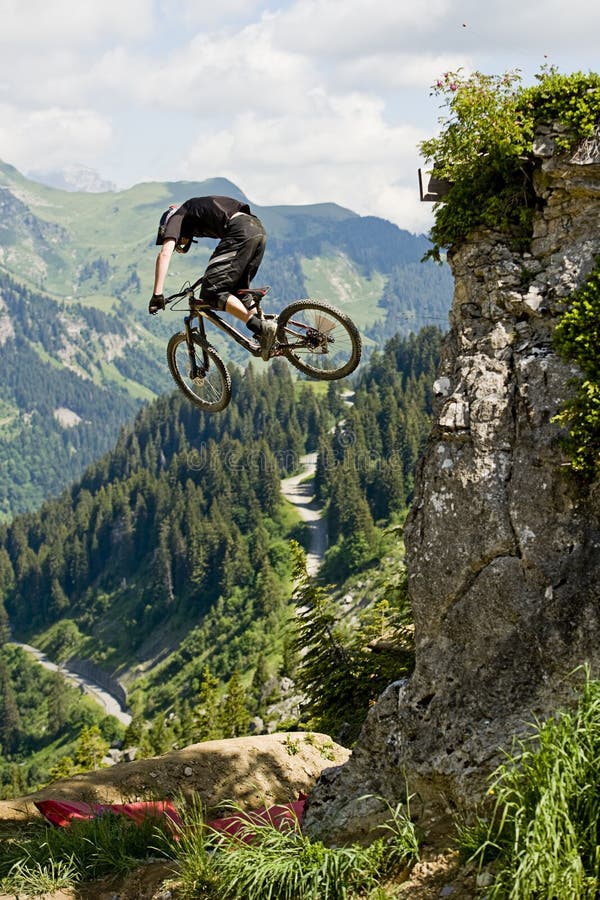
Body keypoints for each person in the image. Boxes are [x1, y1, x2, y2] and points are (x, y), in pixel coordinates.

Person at [149, 196, 277, 360]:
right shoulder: (194, 212)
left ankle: (259, 327)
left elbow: (164, 254)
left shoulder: (176, 217)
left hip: (241, 230)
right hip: (258, 229)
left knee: (212, 291)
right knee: (239, 293)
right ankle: (270, 333)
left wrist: (157, 295)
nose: (181, 243)